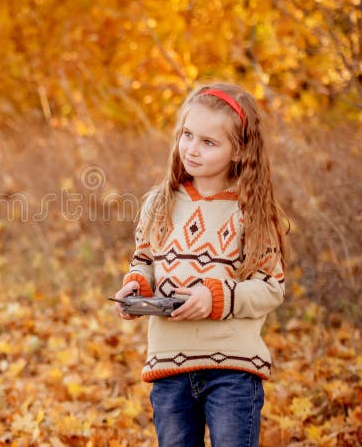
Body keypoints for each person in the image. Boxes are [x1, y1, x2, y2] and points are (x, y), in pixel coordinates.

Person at [113, 82, 288, 447]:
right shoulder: (160, 203)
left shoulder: (252, 213)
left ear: (238, 151)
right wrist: (137, 287)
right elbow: (144, 260)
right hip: (170, 363)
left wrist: (215, 298)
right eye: (187, 135)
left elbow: (271, 288)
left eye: (209, 142)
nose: (192, 149)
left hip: (233, 367)